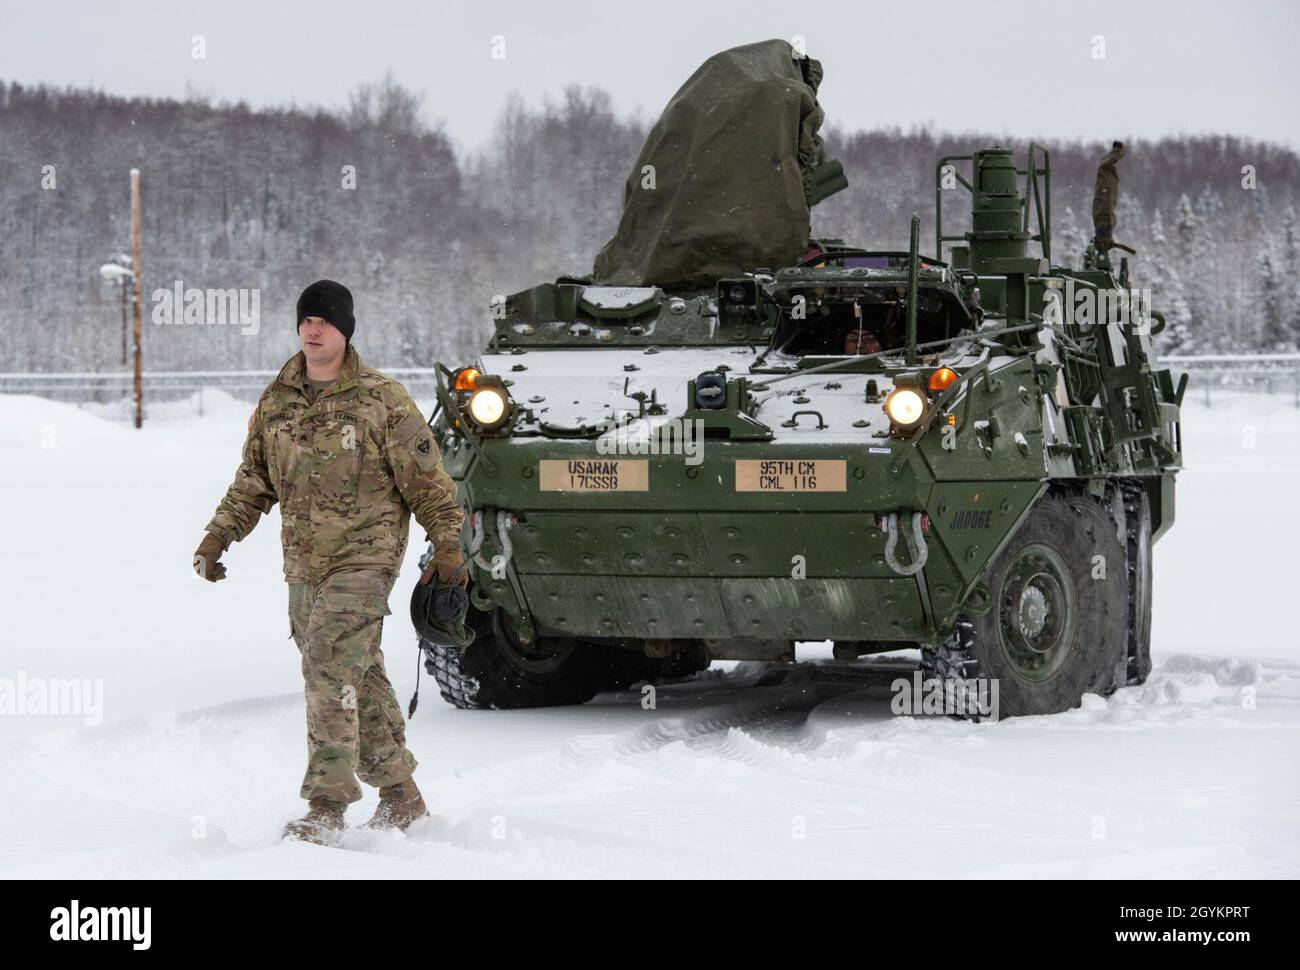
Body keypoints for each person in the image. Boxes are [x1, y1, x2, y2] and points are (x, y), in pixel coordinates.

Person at [193, 279, 466, 844]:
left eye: (326, 321)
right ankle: (401, 797)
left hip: (367, 557)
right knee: (353, 674)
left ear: (345, 331)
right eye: (306, 320)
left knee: (327, 660)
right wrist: (219, 537)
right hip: (304, 564)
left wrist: (448, 546)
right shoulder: (277, 400)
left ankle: (327, 805)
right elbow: (253, 481)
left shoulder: (381, 399)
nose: (314, 329)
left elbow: (429, 483)